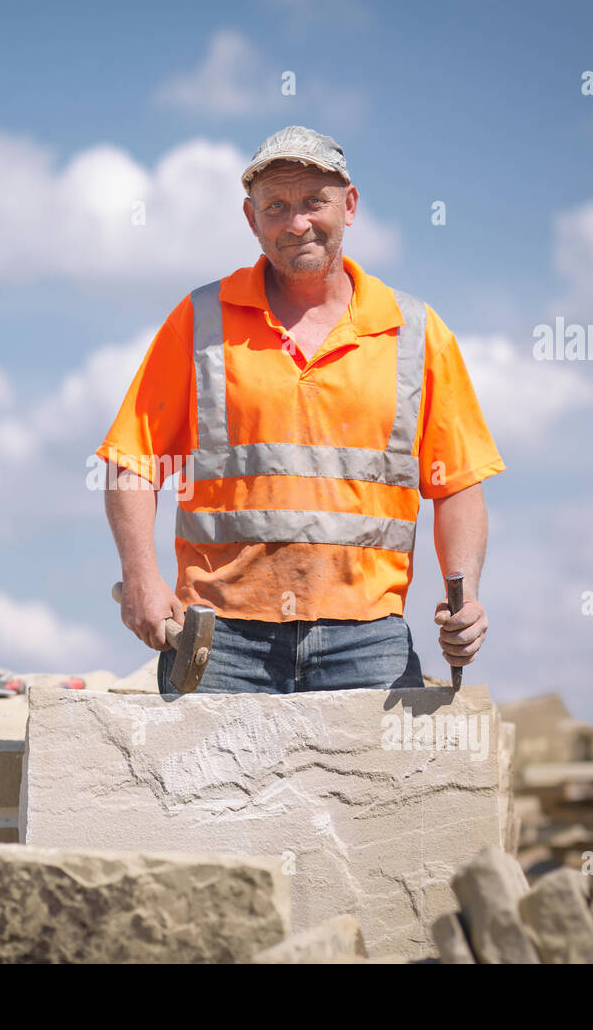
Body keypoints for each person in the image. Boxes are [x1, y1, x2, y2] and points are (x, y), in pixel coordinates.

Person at [96, 125, 505, 694]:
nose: (297, 223)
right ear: (250, 218)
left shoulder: (414, 333)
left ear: (350, 205)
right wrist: (139, 576)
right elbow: (132, 460)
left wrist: (468, 596)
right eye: (276, 207)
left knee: (371, 787)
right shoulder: (200, 320)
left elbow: (457, 481)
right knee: (202, 787)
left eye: (315, 202)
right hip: (221, 639)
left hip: (367, 639)